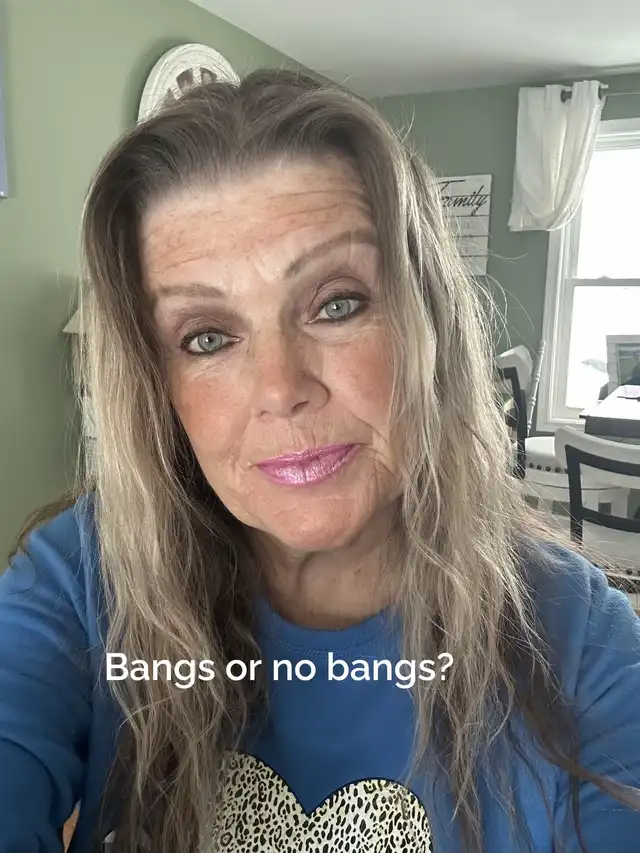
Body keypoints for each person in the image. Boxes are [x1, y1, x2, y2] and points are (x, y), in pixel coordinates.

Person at [1, 70, 639, 853]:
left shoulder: (577, 637)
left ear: (427, 324)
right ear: (158, 387)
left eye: (337, 303)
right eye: (207, 337)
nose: (281, 388)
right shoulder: (80, 584)